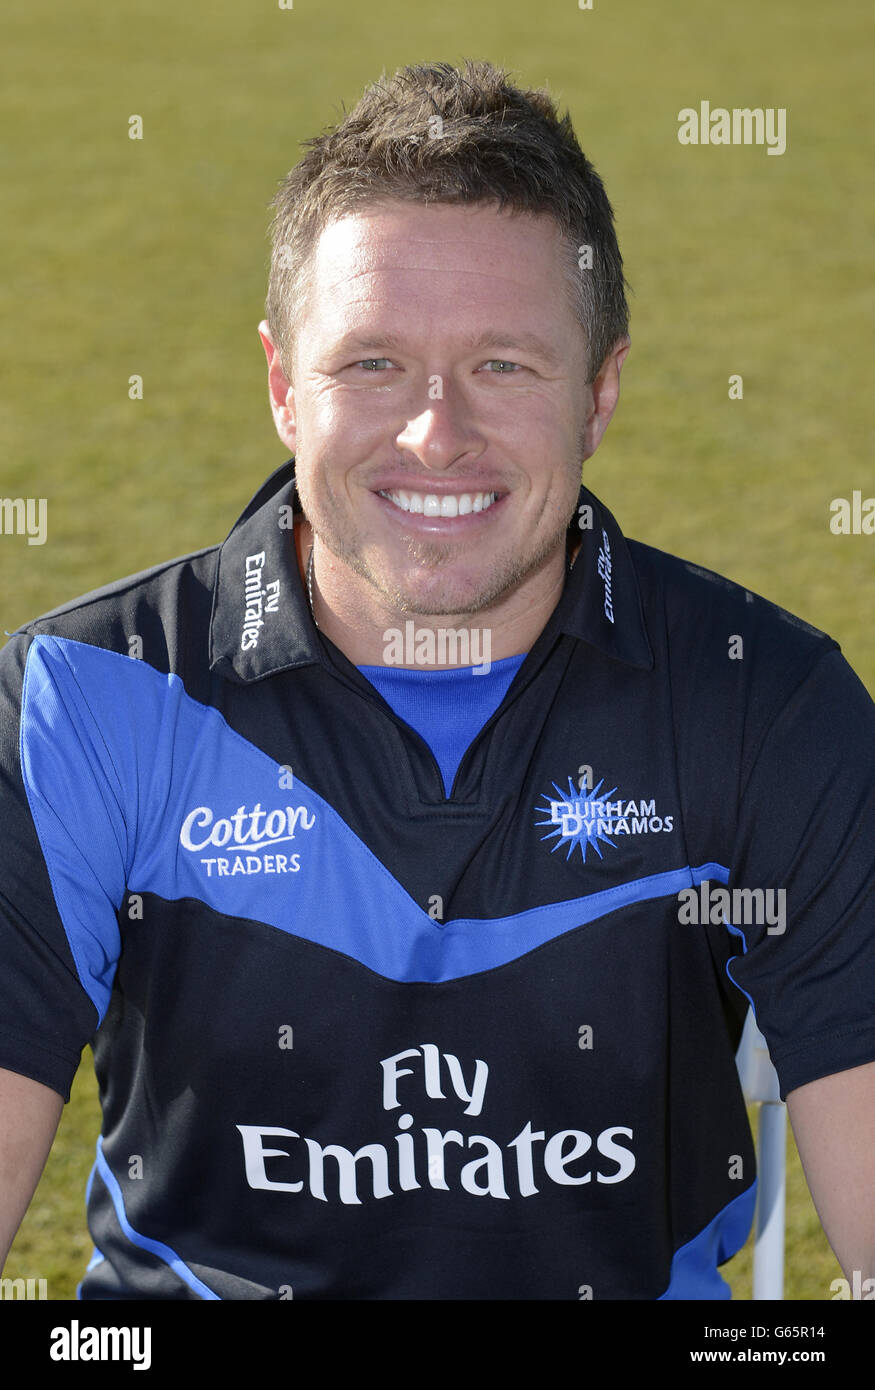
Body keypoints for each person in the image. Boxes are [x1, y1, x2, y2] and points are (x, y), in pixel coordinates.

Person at [1, 58, 873, 1302]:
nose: (435, 433)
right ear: (279, 387)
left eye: (503, 366)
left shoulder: (764, 704)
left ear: (600, 391)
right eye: (370, 365)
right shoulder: (80, 704)